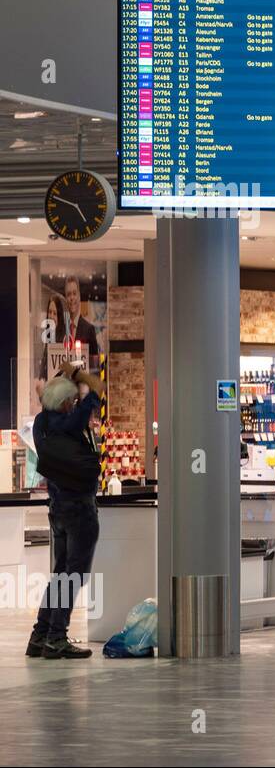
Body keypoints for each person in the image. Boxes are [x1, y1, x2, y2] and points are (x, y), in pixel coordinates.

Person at [26, 363, 104, 659]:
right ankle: (57, 638)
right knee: (74, 576)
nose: (75, 403)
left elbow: (53, 399)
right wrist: (79, 377)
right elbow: (96, 390)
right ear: (65, 403)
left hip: (57, 509)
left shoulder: (40, 424)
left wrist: (62, 379)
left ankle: (40, 635)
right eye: (71, 400)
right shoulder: (71, 422)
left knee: (61, 573)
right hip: (81, 509)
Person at [62, 276, 99, 360]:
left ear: (79, 296)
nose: (72, 298)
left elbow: (95, 365)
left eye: (74, 293)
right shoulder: (61, 328)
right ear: (66, 298)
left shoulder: (89, 329)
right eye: (68, 294)